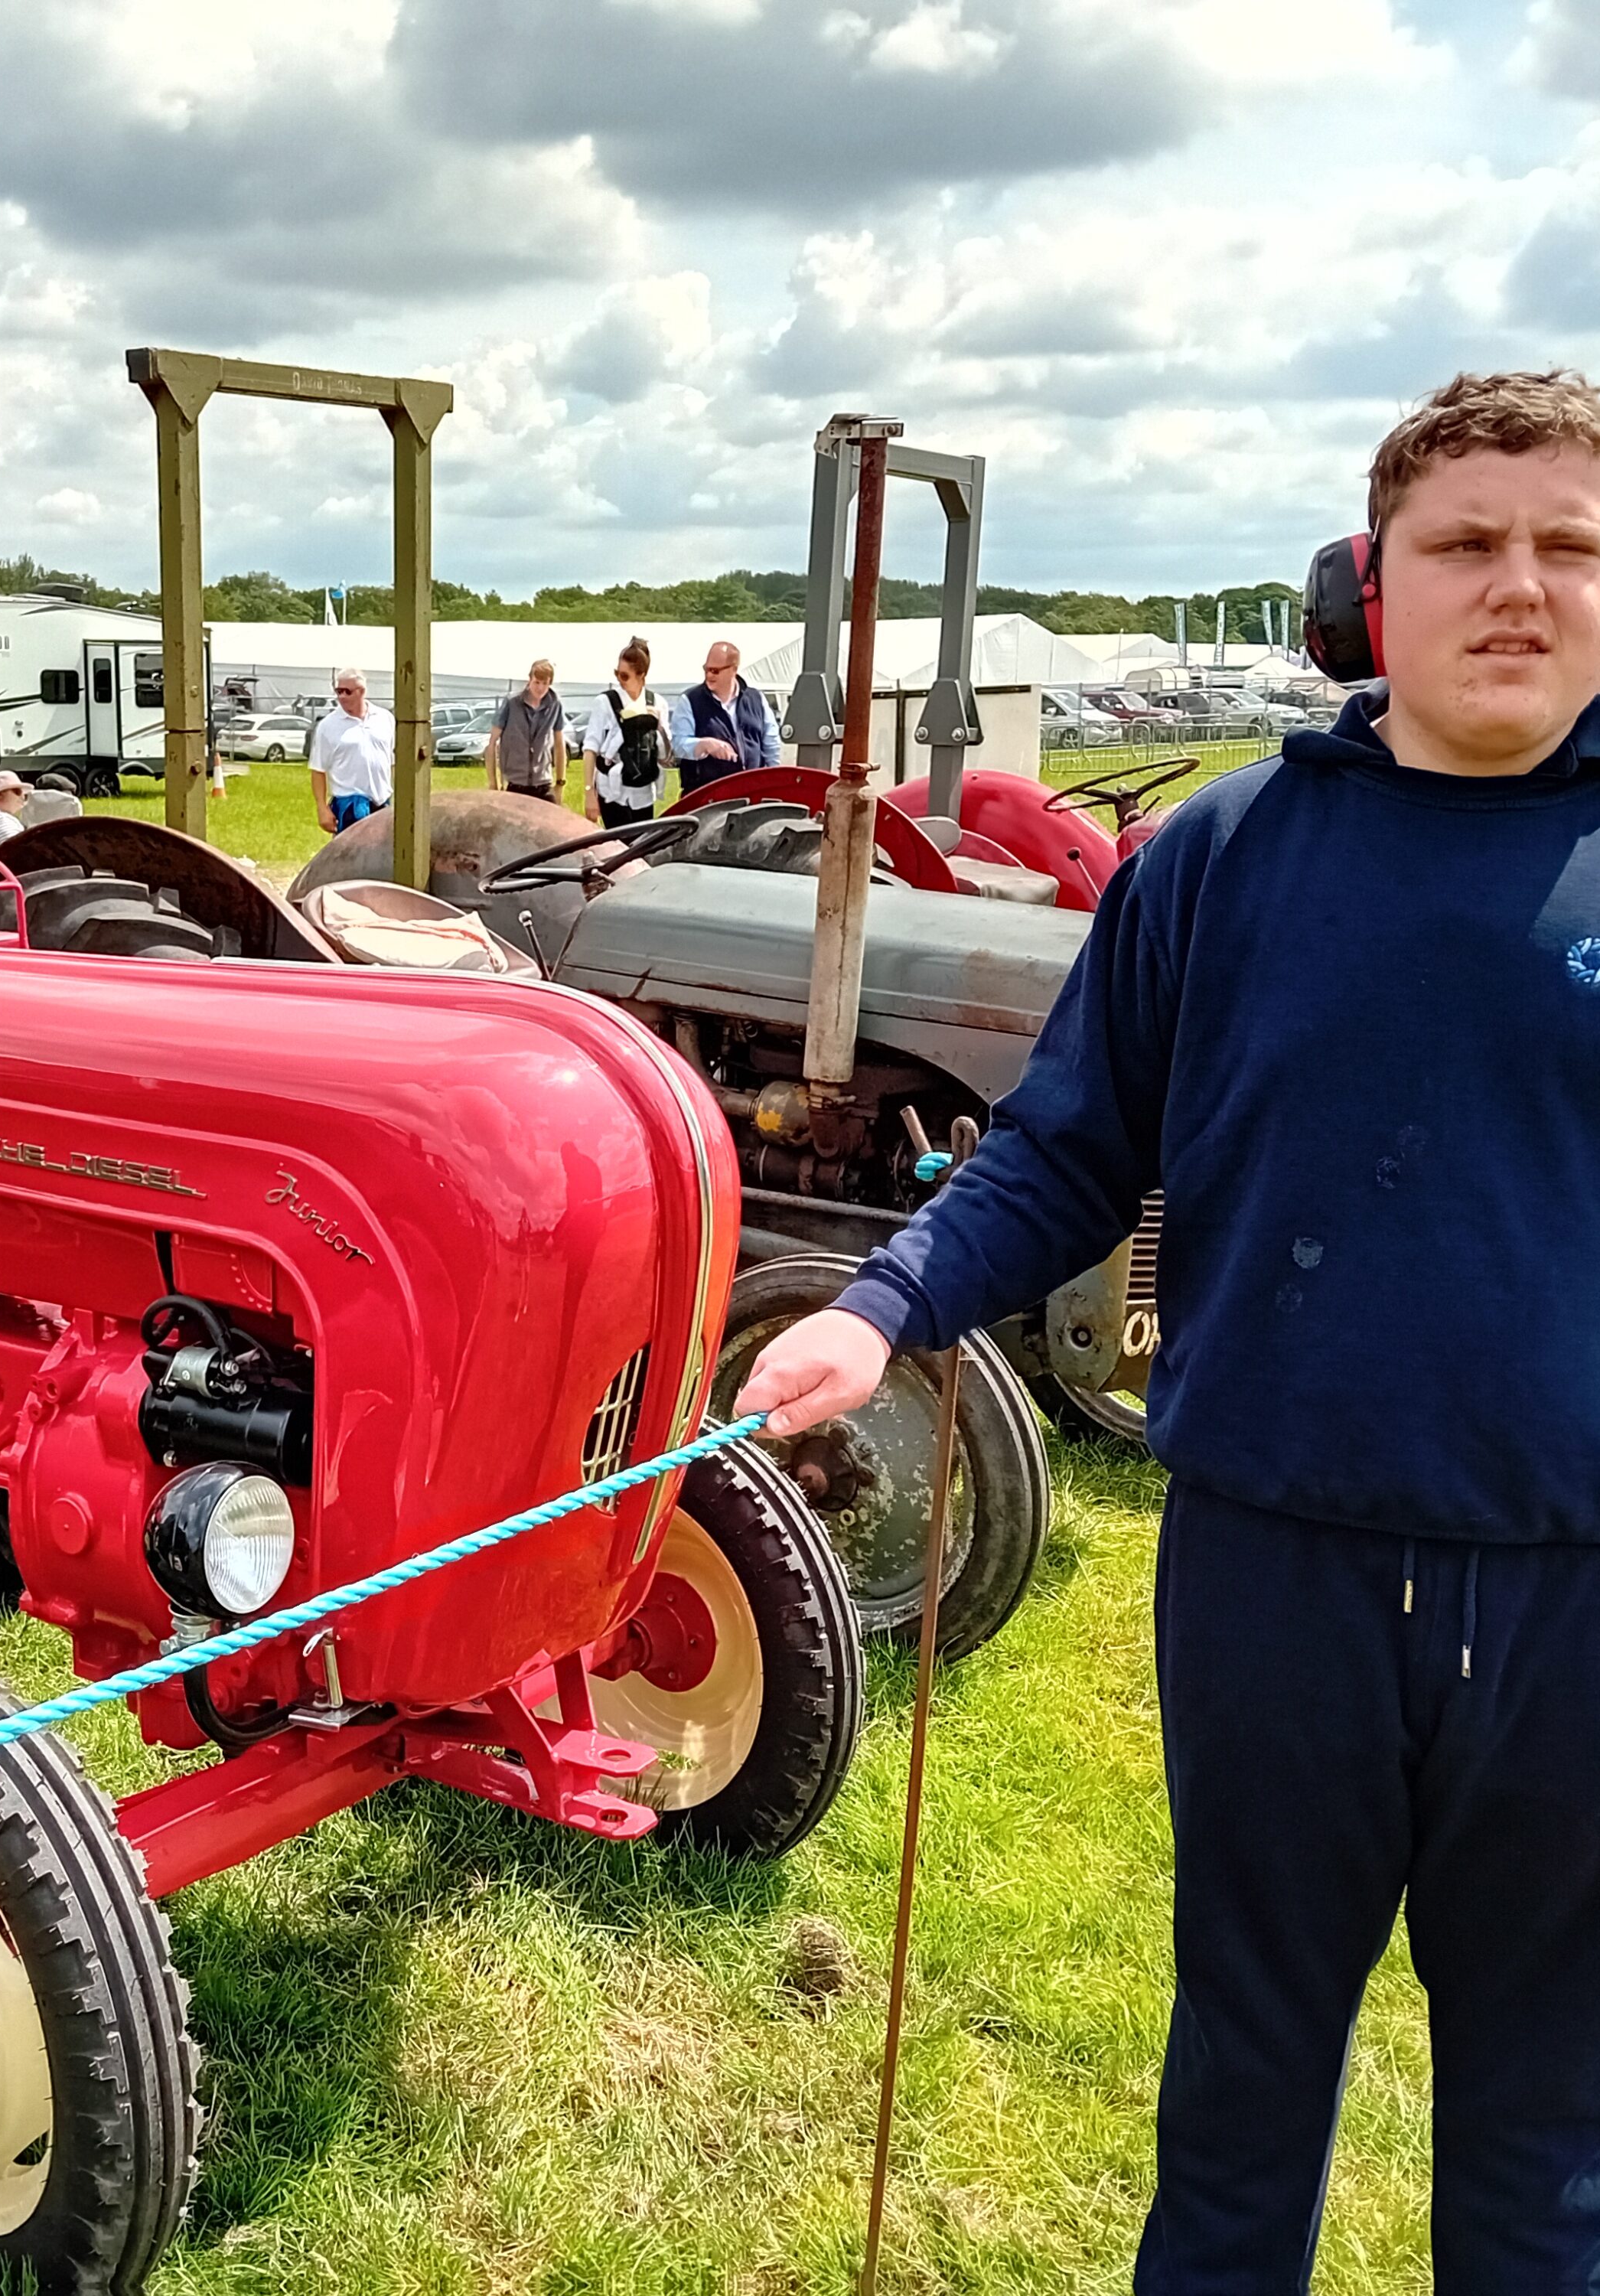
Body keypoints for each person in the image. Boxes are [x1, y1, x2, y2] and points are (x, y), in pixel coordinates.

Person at [734, 368, 1600, 2289]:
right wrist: (880, 1312)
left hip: (1573, 1598)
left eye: (1568, 545)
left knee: (1550, 2149)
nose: (1517, 587)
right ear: (1370, 584)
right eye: (1465, 545)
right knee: (1236, 2095)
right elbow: (1062, 1147)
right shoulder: (1217, 861)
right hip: (1268, 1575)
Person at [670, 640, 780, 794]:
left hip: (752, 792)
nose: (709, 675)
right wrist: (705, 744)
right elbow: (677, 744)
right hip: (706, 796)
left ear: (733, 670)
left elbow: (771, 744)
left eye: (715, 671)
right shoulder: (689, 700)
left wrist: (775, 780)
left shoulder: (757, 699)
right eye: (706, 669)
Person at [580, 638, 669, 826]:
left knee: (640, 848)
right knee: (617, 847)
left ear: (641, 675)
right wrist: (589, 793)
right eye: (617, 674)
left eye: (625, 675)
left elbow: (665, 756)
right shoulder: (604, 702)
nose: (619, 680)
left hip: (644, 793)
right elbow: (590, 750)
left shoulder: (658, 703)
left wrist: (658, 728)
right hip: (610, 792)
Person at [310, 667, 394, 834]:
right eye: (338, 691)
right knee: (352, 857)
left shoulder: (385, 719)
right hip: (350, 804)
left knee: (383, 855)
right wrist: (322, 808)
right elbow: (318, 770)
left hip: (382, 801)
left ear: (362, 691)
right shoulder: (328, 725)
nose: (342, 697)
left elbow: (392, 761)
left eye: (347, 692)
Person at [485, 658, 565, 801]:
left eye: (545, 684)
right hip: (515, 784)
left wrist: (560, 783)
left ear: (550, 684)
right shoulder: (511, 703)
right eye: (537, 682)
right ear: (529, 680)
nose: (540, 688)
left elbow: (560, 744)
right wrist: (493, 784)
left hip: (543, 783)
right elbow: (492, 743)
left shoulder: (555, 704)